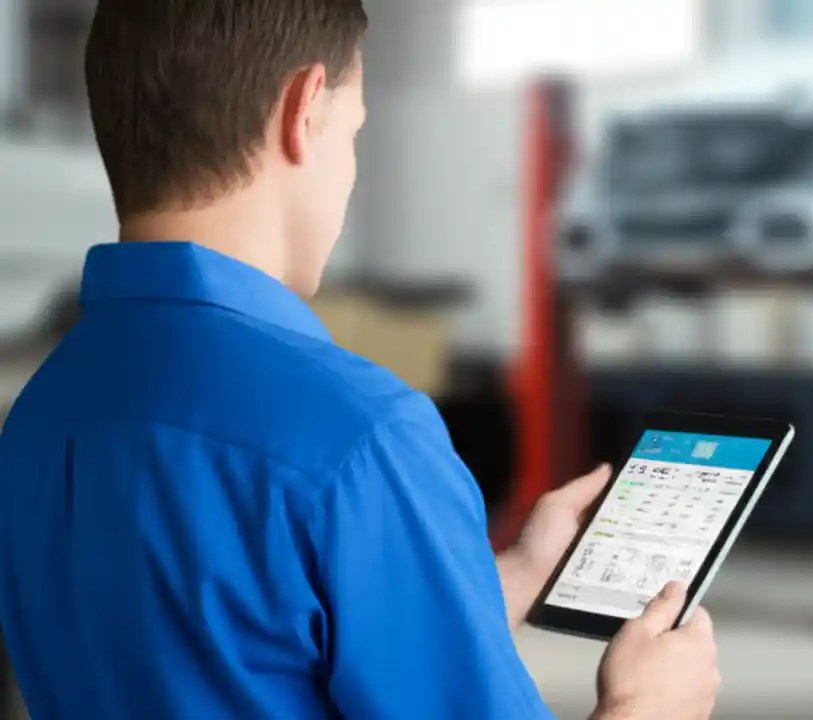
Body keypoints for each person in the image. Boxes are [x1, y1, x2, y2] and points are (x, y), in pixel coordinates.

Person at [0, 2, 721, 718]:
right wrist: (647, 706)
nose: (349, 173)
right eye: (354, 133)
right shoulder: (357, 436)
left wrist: (519, 573)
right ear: (304, 111)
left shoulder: (43, 413)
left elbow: (248, 652)